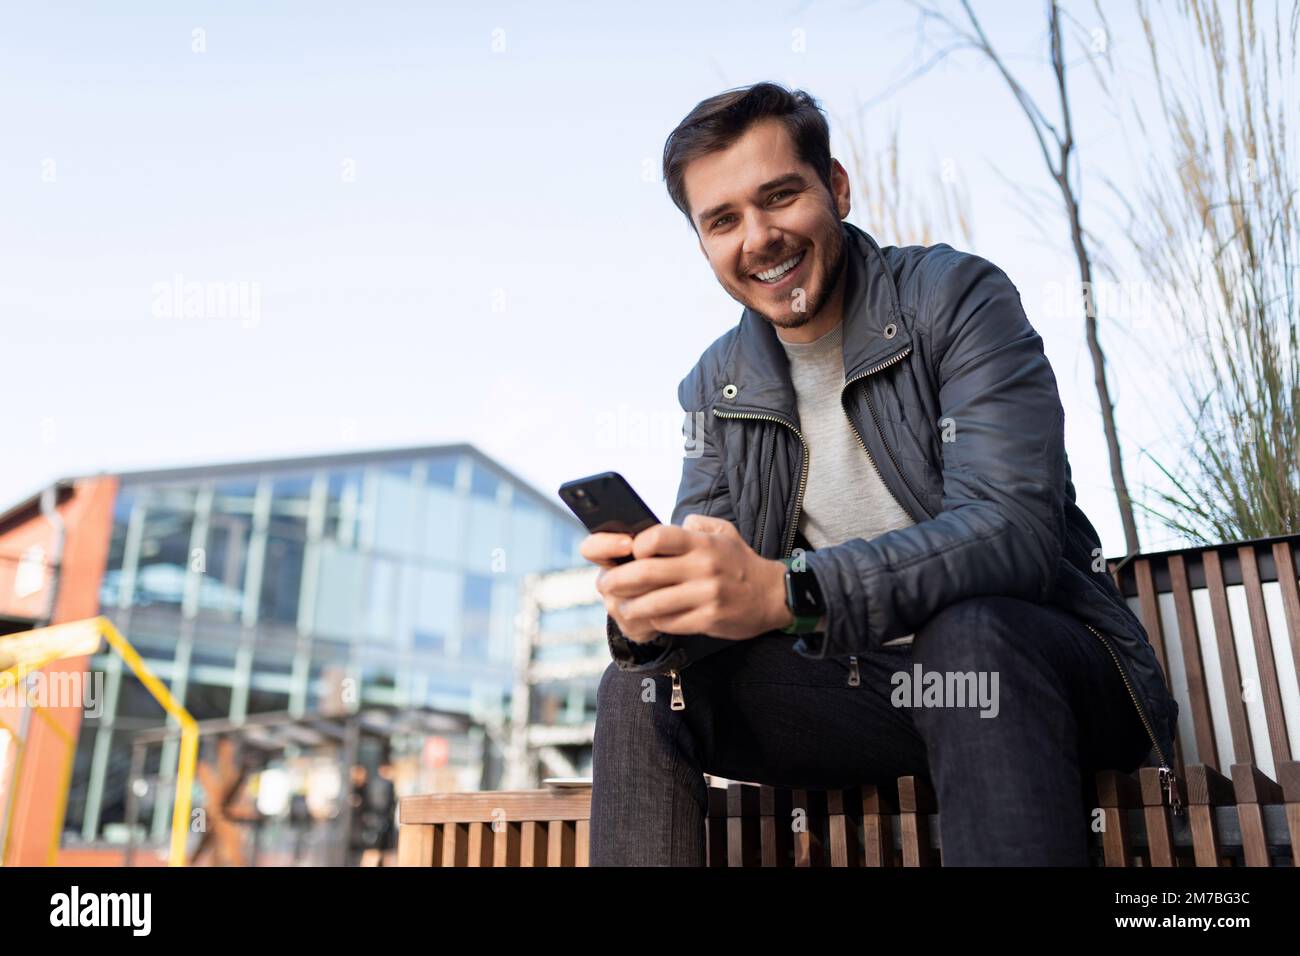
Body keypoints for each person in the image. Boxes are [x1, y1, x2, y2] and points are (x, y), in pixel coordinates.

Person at [583, 82, 1180, 866]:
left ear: (835, 187)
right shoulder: (714, 383)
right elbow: (711, 564)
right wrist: (650, 617)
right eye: (722, 220)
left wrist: (789, 591)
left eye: (780, 197)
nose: (758, 237)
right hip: (862, 698)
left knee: (969, 633)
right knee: (642, 685)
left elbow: (1014, 530)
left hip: (1036, 675)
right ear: (702, 244)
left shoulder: (957, 297)